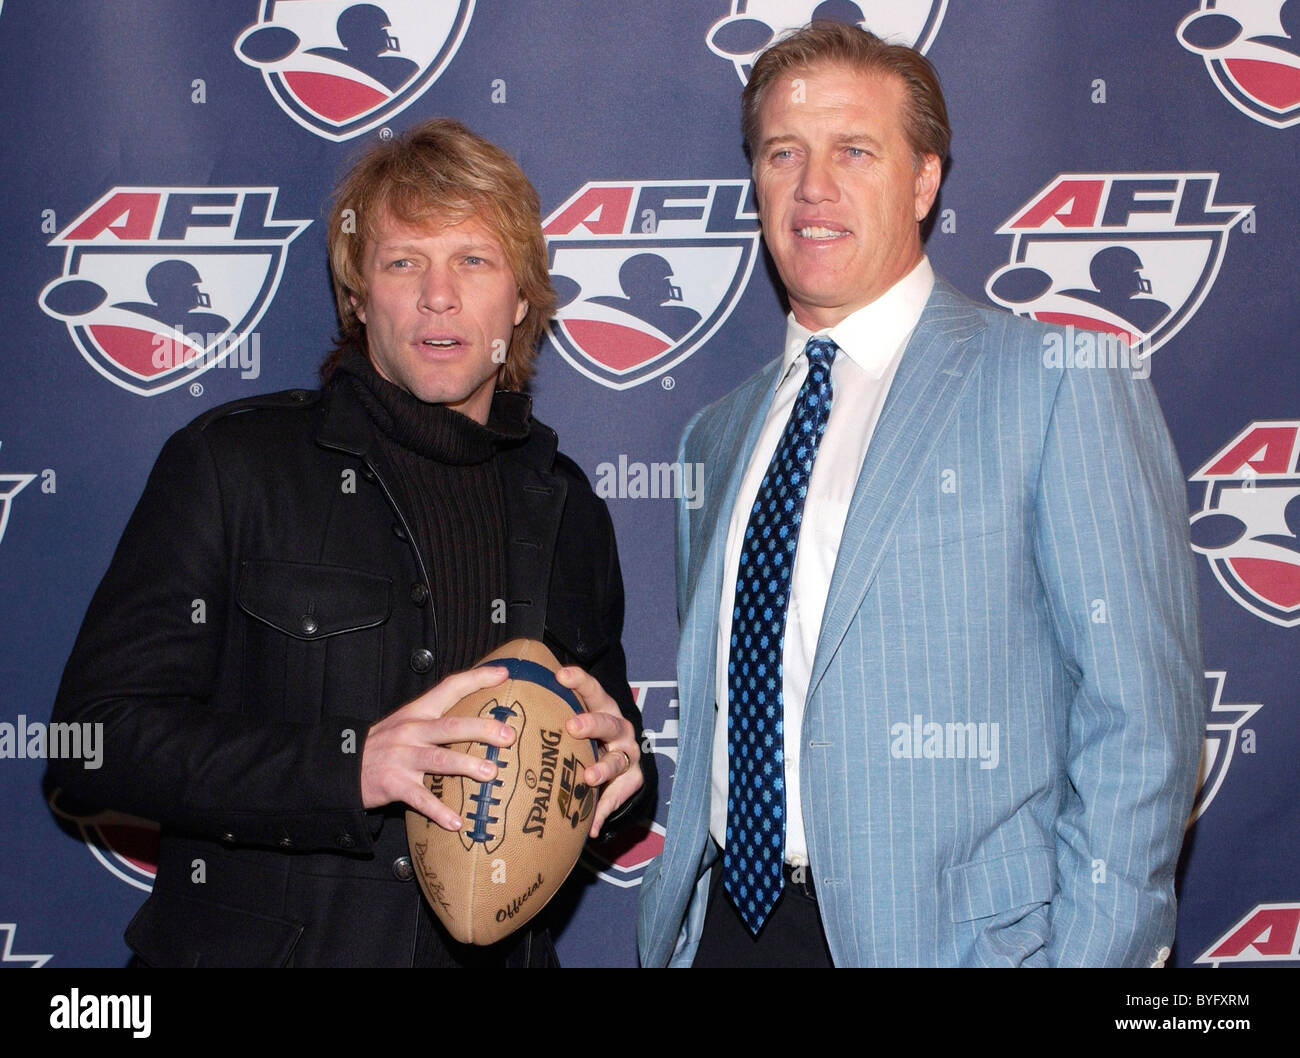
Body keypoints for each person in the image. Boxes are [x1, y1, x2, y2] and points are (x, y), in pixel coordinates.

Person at [637, 23, 1204, 967]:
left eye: (854, 150)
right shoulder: (717, 434)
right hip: (729, 933)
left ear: (924, 179)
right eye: (785, 153)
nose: (814, 187)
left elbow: (1143, 719)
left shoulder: (1057, 380)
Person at [51, 118, 648, 968]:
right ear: (359, 294)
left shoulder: (568, 507)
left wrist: (619, 776)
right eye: (404, 261)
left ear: (520, 300)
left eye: (473, 260)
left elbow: (607, 741)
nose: (438, 295)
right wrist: (348, 770)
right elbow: (92, 745)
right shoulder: (232, 465)